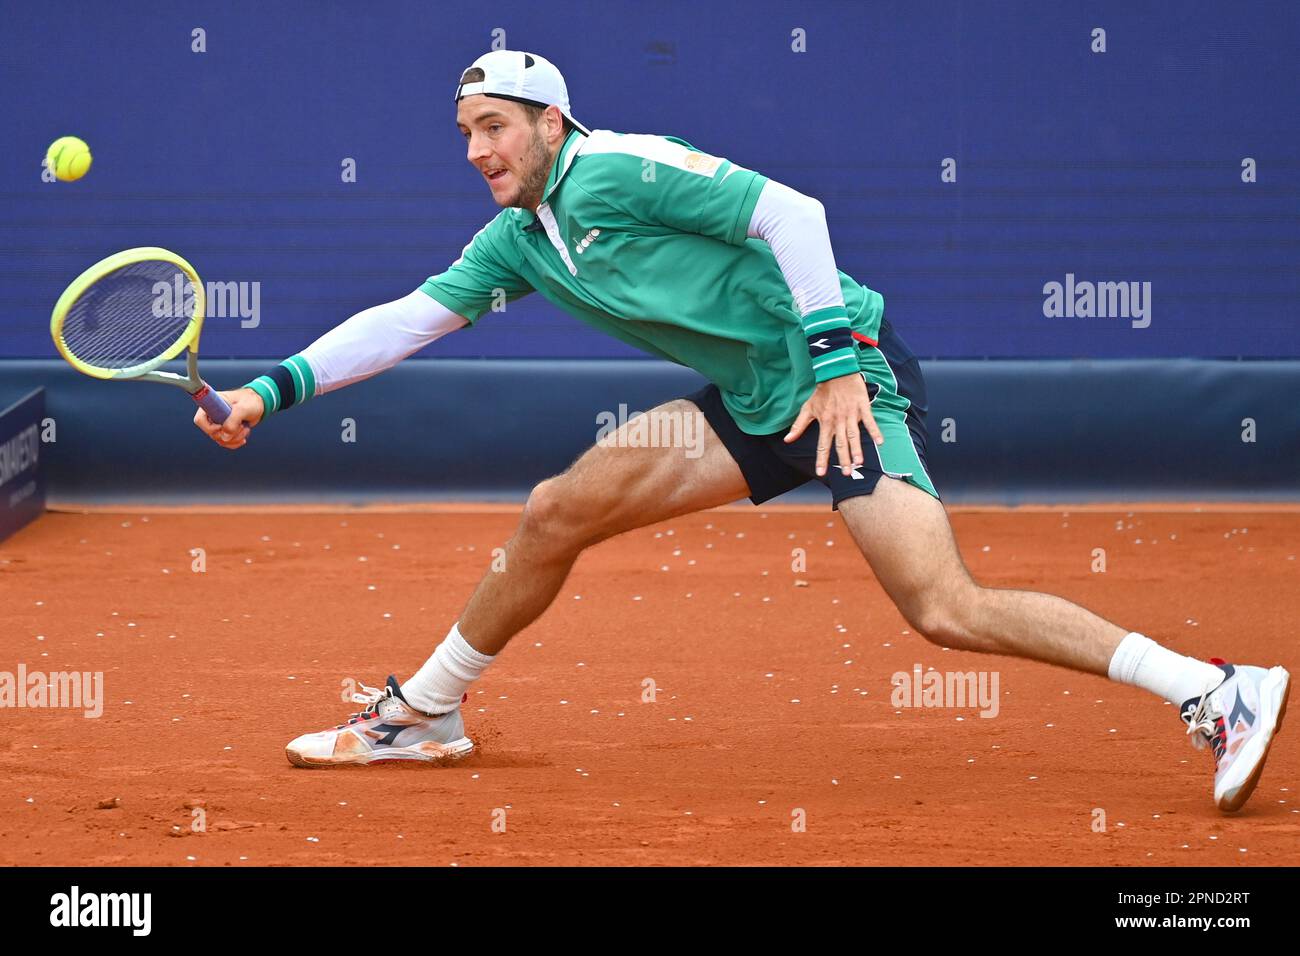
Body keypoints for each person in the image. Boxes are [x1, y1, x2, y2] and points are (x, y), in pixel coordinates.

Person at [195, 50, 1289, 812]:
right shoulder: (516, 242)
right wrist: (267, 391)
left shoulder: (616, 167)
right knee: (555, 509)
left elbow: (791, 214)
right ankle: (424, 716)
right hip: (753, 402)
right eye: (465, 133)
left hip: (834, 380)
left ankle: (1210, 686)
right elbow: (404, 319)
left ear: (549, 123)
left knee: (942, 608)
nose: (478, 148)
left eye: (494, 127)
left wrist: (831, 360)